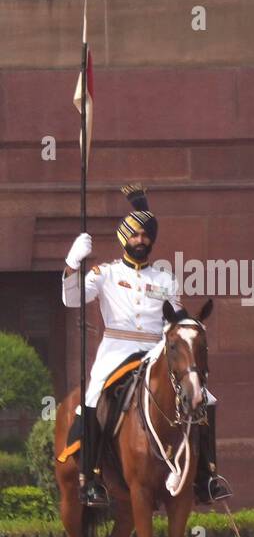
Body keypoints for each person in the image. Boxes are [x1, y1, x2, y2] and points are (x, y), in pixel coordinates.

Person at [61, 183, 232, 506]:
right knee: (93, 396)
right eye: (135, 235)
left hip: (156, 350)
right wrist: (72, 264)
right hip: (116, 350)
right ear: (124, 237)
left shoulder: (165, 279)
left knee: (206, 397)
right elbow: (71, 300)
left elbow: (177, 317)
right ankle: (92, 478)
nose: (141, 240)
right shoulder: (105, 273)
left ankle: (207, 477)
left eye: (146, 235)